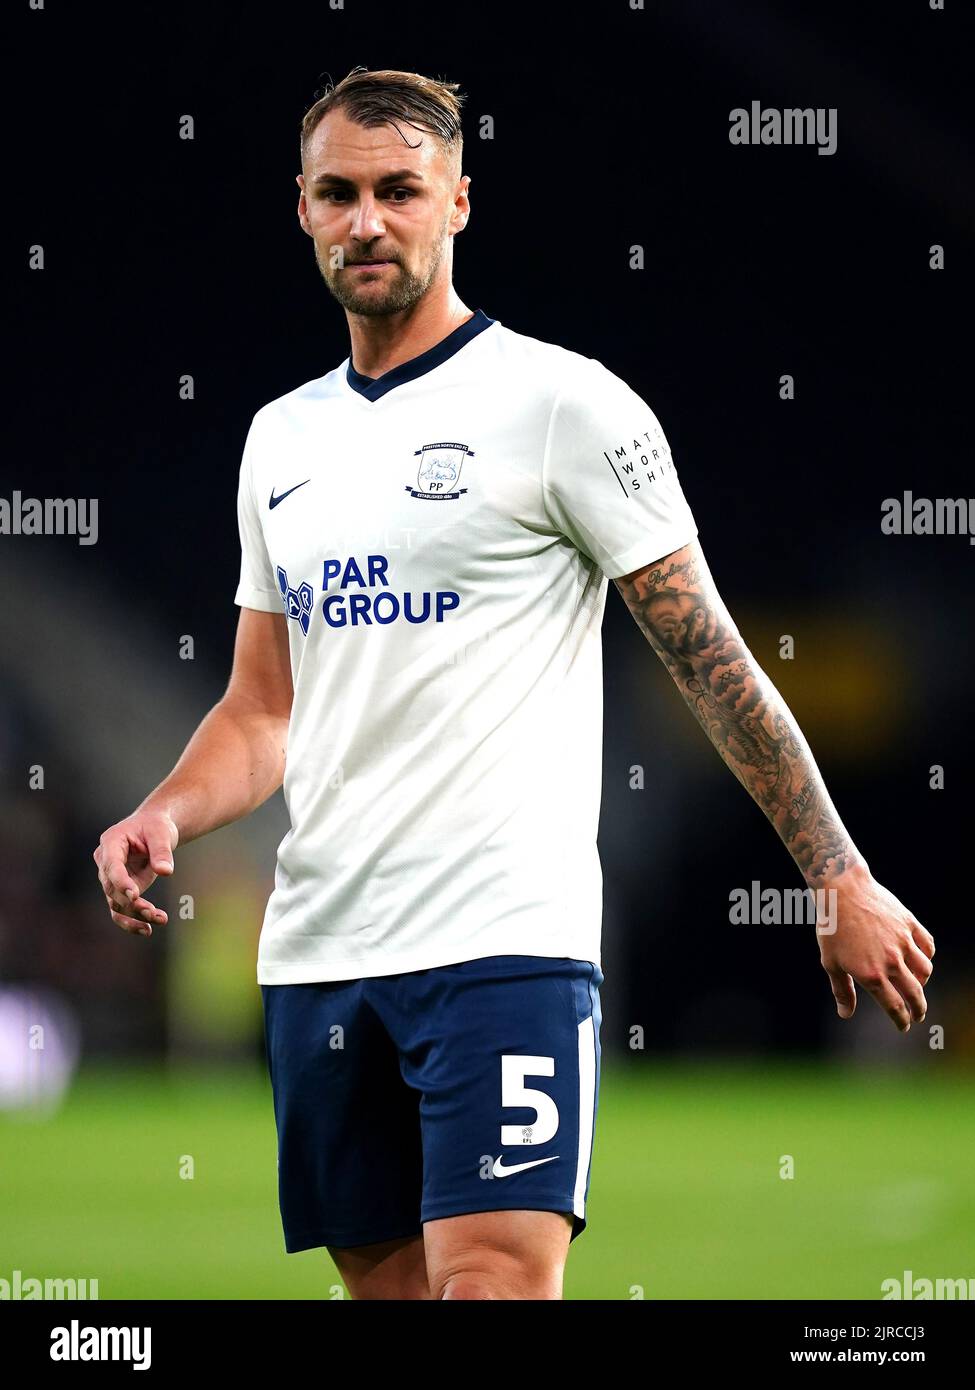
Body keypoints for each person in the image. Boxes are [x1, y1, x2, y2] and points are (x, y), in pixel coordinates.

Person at [93, 67, 934, 1301]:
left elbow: (712, 662)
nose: (367, 220)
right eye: (339, 193)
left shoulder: (562, 406)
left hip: (504, 943)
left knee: (488, 1286)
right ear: (304, 210)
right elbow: (264, 707)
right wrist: (165, 810)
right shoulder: (282, 439)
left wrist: (836, 872)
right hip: (323, 951)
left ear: (459, 205)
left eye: (398, 191)